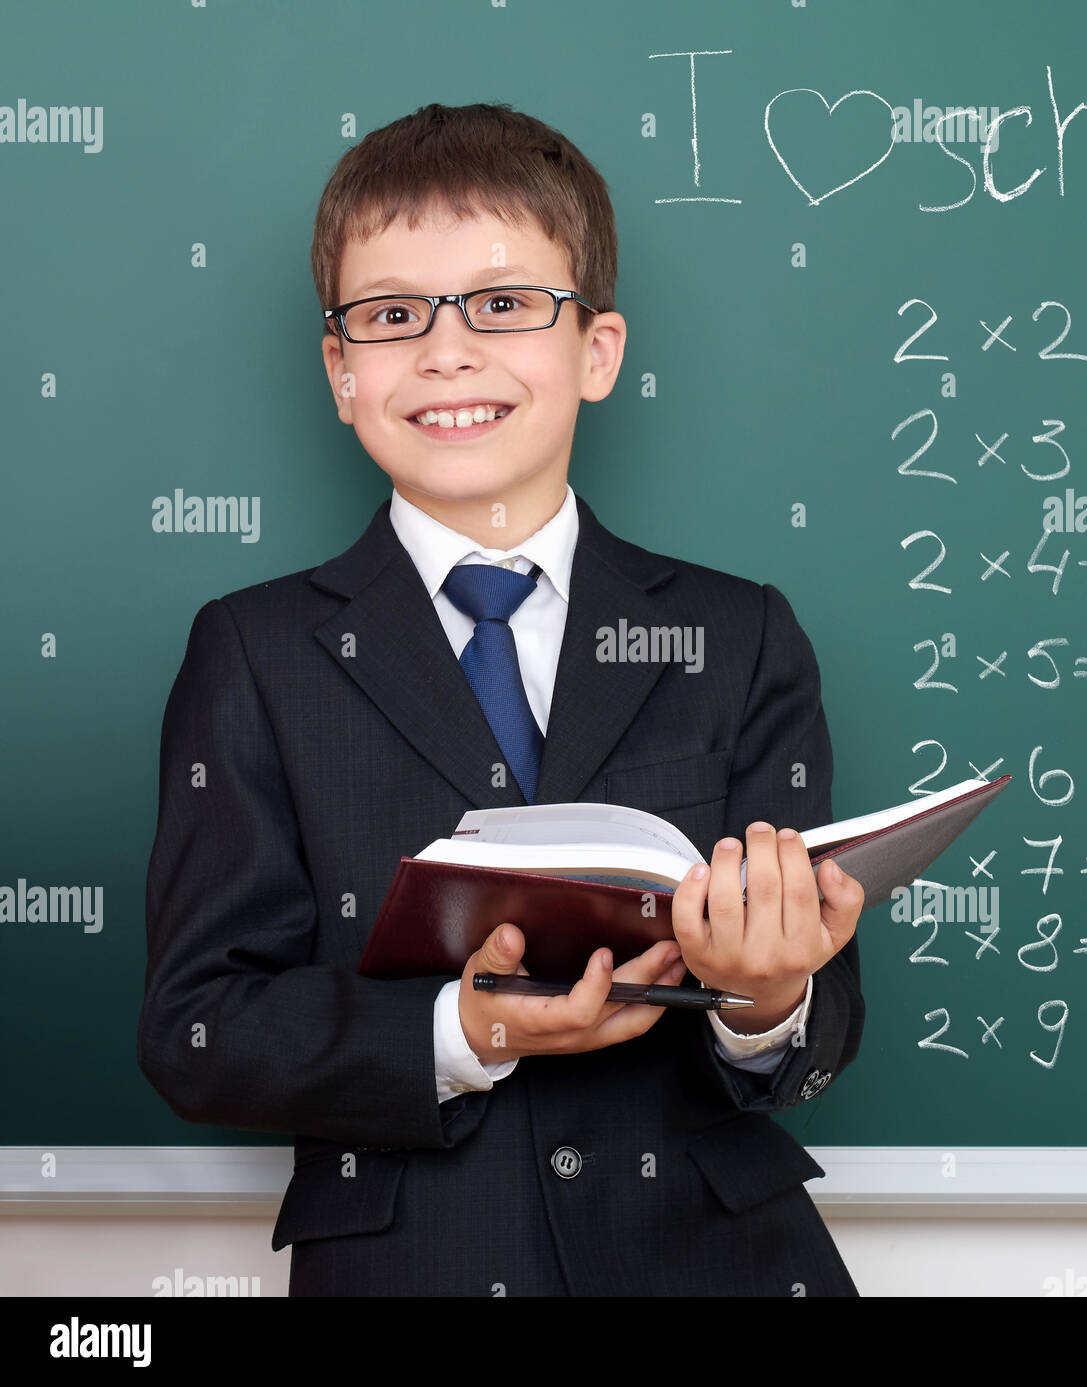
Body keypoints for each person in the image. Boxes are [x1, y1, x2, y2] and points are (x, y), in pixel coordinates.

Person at [138, 101, 866, 1297]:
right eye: (388, 316)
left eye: (503, 302)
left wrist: (769, 991)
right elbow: (197, 1028)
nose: (446, 351)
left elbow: (823, 1017)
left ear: (597, 350)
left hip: (716, 1262)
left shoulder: (737, 635)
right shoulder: (254, 653)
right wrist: (460, 1035)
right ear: (339, 373)